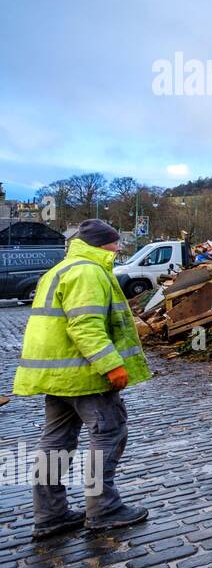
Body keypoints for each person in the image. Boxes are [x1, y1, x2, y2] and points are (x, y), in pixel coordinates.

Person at [13, 219, 152, 539]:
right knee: (109, 433)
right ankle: (104, 509)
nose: (119, 249)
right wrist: (112, 366)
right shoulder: (88, 272)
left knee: (55, 443)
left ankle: (50, 514)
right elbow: (85, 326)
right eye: (115, 243)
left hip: (56, 374)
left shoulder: (61, 269)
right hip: (83, 373)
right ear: (101, 244)